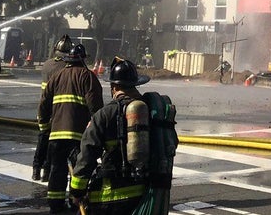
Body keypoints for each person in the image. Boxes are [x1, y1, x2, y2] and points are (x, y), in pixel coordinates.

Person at [70, 58, 171, 215]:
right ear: (135, 84)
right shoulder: (152, 112)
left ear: (114, 87)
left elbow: (87, 156)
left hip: (110, 197)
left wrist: (76, 191)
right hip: (143, 194)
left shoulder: (104, 115)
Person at [39, 43, 102, 214]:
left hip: (56, 135)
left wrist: (45, 127)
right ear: (82, 60)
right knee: (79, 171)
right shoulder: (87, 76)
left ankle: (55, 204)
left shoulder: (56, 76)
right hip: (78, 136)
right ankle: (76, 202)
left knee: (56, 170)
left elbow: (44, 103)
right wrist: (98, 129)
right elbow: (96, 107)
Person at [33, 34, 73, 181]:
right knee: (53, 144)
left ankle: (36, 170)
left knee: (42, 139)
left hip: (44, 107)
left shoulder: (47, 64)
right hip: (57, 110)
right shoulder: (66, 67)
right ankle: (46, 172)